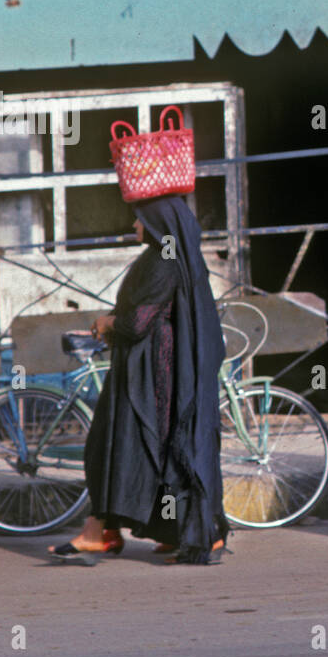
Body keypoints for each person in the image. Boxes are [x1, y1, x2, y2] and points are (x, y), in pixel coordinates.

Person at [48, 195, 230, 563]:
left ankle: (104, 532)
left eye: (138, 220)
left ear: (157, 225)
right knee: (146, 452)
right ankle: (155, 531)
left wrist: (108, 322)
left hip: (150, 379)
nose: (133, 226)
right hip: (152, 373)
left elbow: (138, 322)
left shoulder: (163, 262)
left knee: (116, 446)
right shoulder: (167, 257)